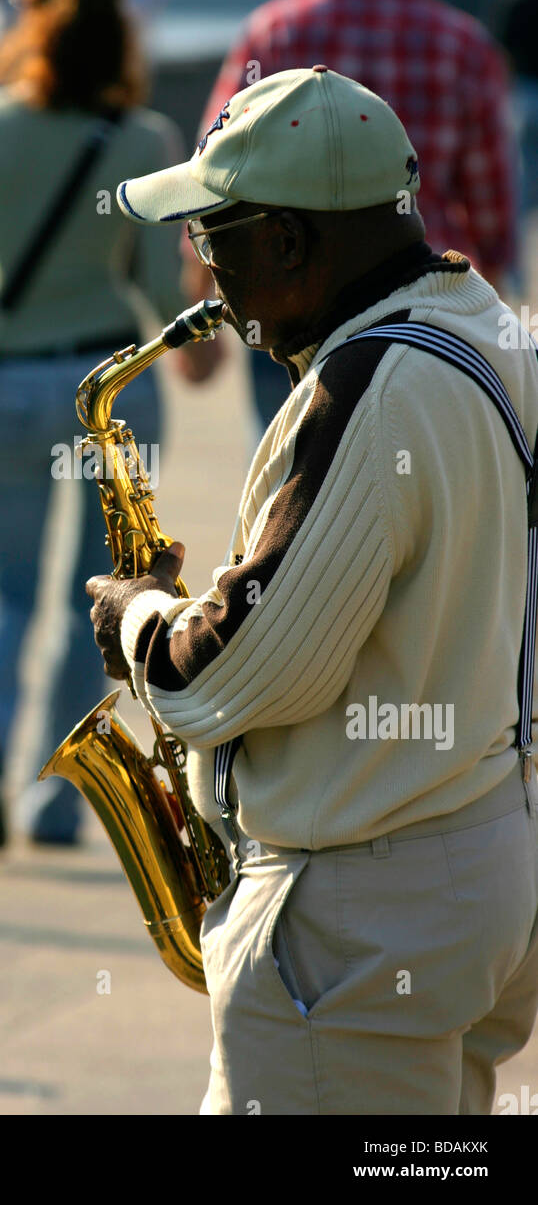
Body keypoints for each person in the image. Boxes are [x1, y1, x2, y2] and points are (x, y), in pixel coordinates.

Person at [87, 64, 538, 1114]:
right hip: (469, 855)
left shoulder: (369, 387)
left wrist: (136, 618)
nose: (206, 278)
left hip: (356, 916)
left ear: (288, 240)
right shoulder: (491, 331)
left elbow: (230, 678)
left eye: (214, 239)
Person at [0, 0, 187, 849]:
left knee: (4, 590)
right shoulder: (143, 140)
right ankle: (55, 796)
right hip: (106, 394)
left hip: (3, 385)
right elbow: (156, 285)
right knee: (99, 599)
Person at [184, 0, 519, 432]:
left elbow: (213, 174)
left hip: (289, 302)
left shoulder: (275, 32)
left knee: (289, 494)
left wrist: (198, 293)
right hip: (428, 312)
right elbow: (492, 204)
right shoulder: (463, 43)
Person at [486, 0, 538, 235]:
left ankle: (515, 267)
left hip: (522, 94)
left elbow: (498, 52)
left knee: (519, 183)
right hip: (522, 93)